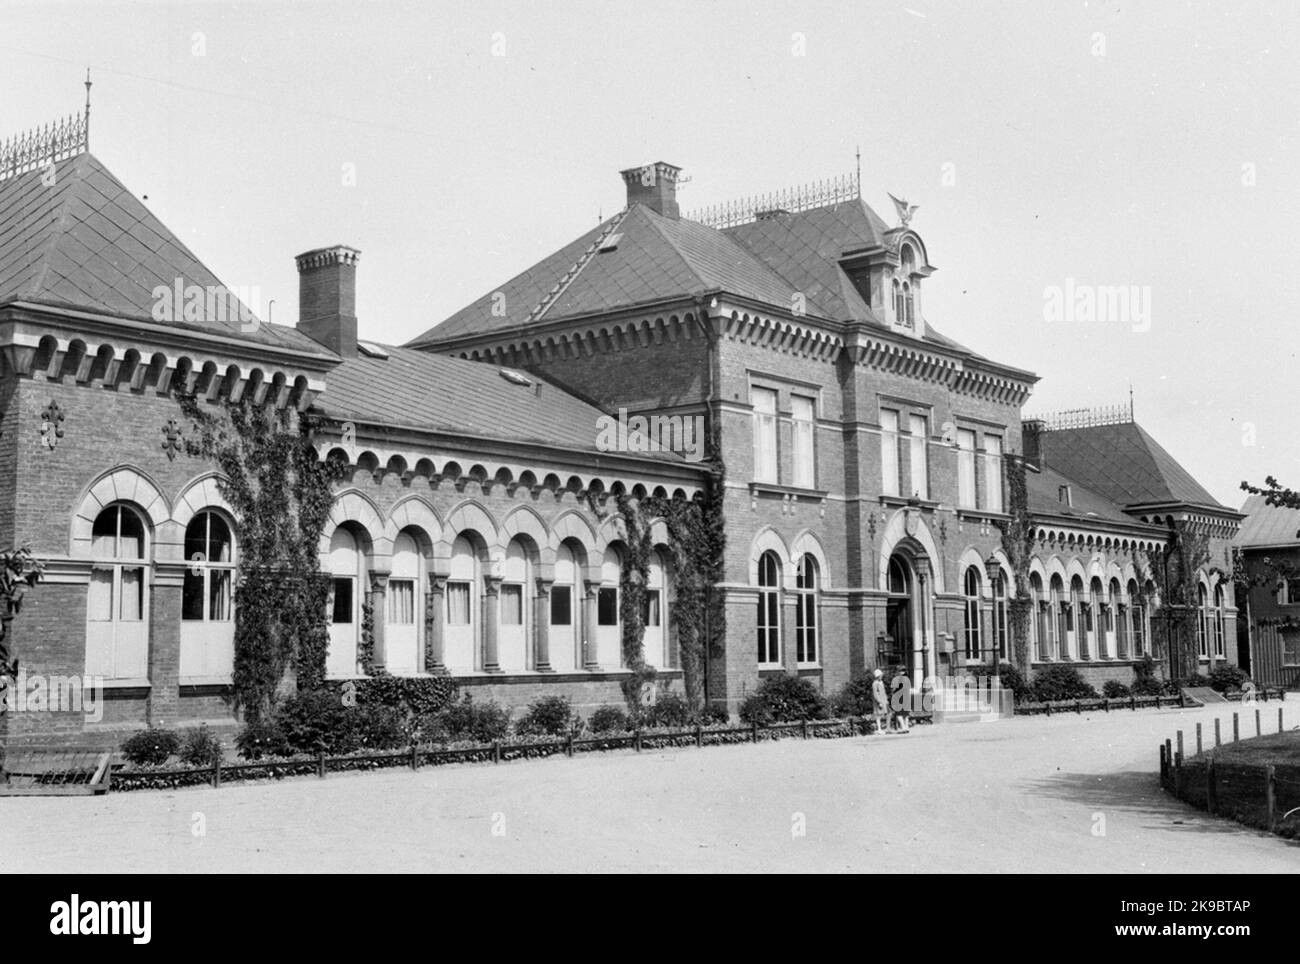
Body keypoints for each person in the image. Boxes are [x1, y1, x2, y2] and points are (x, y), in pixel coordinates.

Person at [871, 668, 889, 735]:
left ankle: (883, 728)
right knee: (878, 715)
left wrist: (886, 700)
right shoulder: (875, 683)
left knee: (882, 714)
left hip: (883, 700)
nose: (882, 676)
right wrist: (879, 702)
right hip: (879, 702)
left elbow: (883, 692)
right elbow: (875, 693)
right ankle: (879, 729)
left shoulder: (881, 682)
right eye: (881, 675)